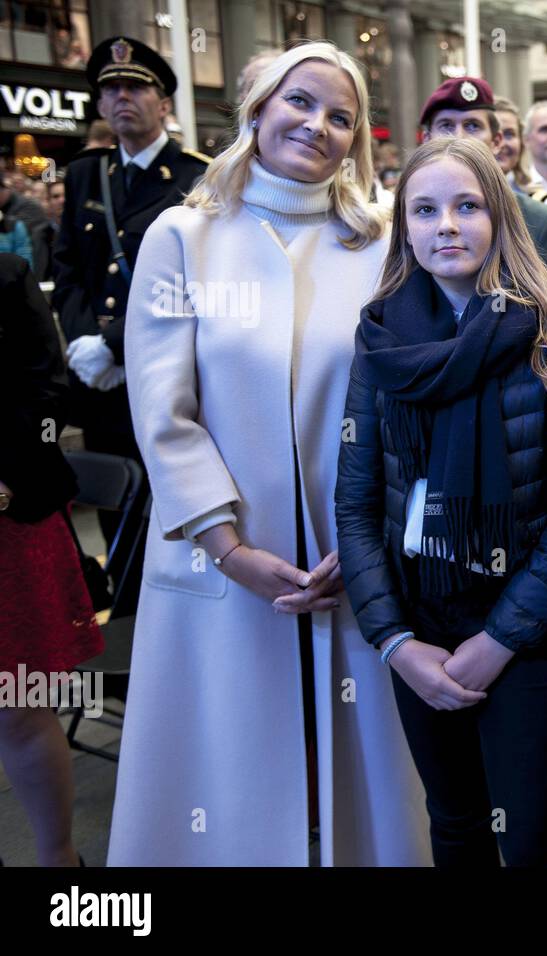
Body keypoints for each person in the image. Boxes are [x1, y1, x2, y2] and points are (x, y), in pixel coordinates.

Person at [111, 41, 428, 866]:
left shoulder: (384, 242)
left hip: (351, 562)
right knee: (224, 783)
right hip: (219, 565)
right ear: (256, 108)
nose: (317, 125)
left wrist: (370, 541)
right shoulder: (184, 237)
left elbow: (411, 402)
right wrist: (230, 547)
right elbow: (163, 411)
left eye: (341, 116)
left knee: (361, 785)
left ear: (357, 142)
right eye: (300, 101)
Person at [334, 136, 547, 866]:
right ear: (405, 228)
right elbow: (357, 504)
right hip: (419, 618)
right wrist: (394, 641)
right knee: (454, 826)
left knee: (534, 844)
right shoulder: (378, 342)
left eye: (467, 206)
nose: (446, 225)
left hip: (522, 627)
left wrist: (500, 641)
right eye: (424, 210)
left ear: (501, 219)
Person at [51, 36, 210, 551]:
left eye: (135, 88)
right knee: (114, 516)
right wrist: (83, 346)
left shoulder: (197, 177)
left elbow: (198, 282)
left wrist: (116, 344)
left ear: (163, 103)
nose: (122, 97)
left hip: (163, 369)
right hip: (98, 378)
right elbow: (67, 268)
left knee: (173, 511)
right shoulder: (84, 176)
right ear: (98, 104)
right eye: (111, 88)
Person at [0, 253, 104, 867]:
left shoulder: (8, 273)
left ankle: (60, 866)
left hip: (11, 516)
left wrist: (9, 480)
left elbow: (49, 396)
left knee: (19, 705)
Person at [418, 77, 547, 347]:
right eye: (446, 126)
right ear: (427, 139)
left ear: (496, 141)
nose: (458, 137)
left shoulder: (544, 222)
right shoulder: (409, 222)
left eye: (472, 126)